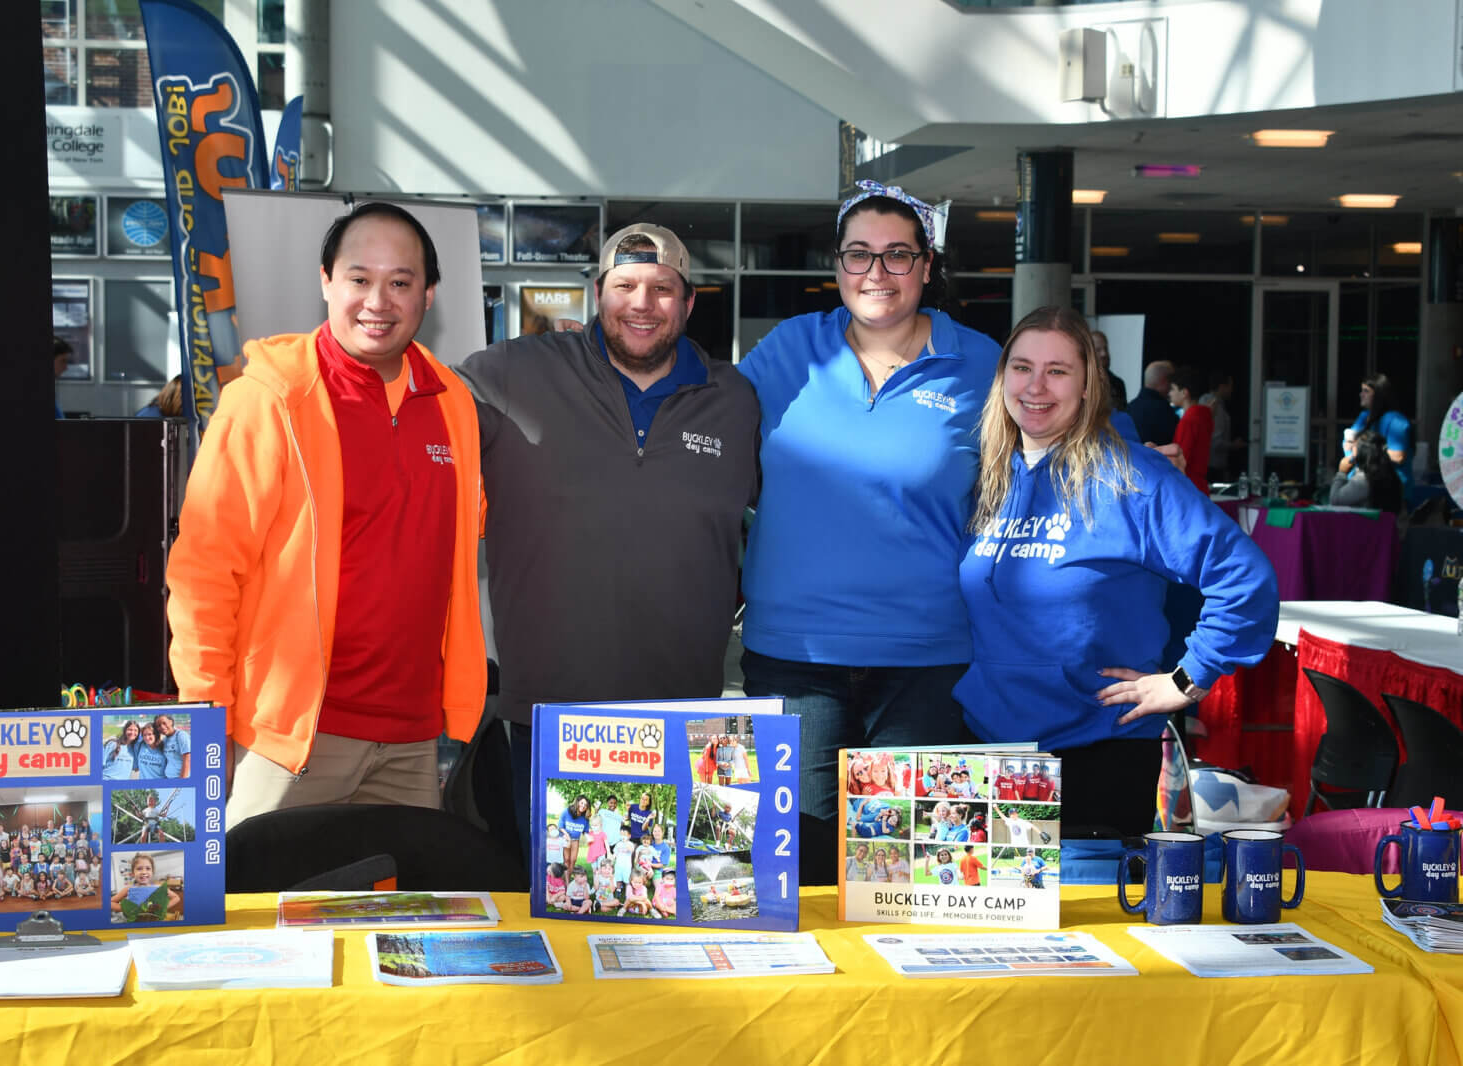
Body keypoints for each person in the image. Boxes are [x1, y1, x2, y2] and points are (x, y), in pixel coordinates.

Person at [167, 201, 487, 825]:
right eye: (359, 279)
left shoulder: (454, 405)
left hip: (414, 741)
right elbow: (205, 571)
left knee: (397, 917)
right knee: (260, 917)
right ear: (325, 282)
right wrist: (204, 716)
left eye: (400, 282)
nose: (378, 301)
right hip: (290, 740)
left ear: (430, 294)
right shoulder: (268, 400)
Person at [456, 223, 759, 861]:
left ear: (690, 302)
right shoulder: (511, 374)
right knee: (562, 900)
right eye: (624, 285)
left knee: (676, 898)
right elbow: (411, 420)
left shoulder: (734, 399)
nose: (641, 304)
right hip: (552, 716)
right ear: (599, 293)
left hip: (688, 721)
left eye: (662, 288)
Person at [734, 181, 1003, 825]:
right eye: (859, 254)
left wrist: (1125, 455)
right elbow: (700, 427)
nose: (876, 272)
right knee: (796, 869)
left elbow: (1046, 451)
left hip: (929, 661)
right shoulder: (788, 351)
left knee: (904, 879)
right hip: (794, 658)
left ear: (927, 266)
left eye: (897, 255)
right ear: (837, 264)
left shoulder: (981, 365)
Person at [956, 307, 1278, 835]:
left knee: (1088, 919)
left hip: (1095, 752)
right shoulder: (989, 477)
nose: (1036, 386)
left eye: (1058, 371)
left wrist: (1186, 680)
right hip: (989, 752)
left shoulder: (1131, 476)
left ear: (1088, 386)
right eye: (1021, 367)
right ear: (1002, 379)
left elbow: (1245, 579)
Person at [1346, 372, 1412, 486]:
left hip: (1390, 490)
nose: (1361, 394)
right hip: (1361, 484)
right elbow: (1348, 444)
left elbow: (1398, 456)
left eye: (1366, 391)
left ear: (1379, 394)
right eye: (1362, 390)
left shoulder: (1396, 420)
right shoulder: (1364, 416)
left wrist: (1364, 451)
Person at [1330, 430, 1403, 513]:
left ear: (1362, 452)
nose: (1350, 450)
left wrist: (1341, 473)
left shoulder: (1363, 481)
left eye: (1354, 446)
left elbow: (1335, 501)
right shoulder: (1391, 476)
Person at [1168, 366, 1213, 494]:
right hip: (1200, 485)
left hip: (1187, 487)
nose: (1169, 393)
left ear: (1184, 393)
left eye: (1173, 389)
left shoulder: (1189, 420)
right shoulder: (1204, 416)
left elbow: (1180, 459)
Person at [1127, 360, 1179, 447]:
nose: (1172, 388)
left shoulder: (1129, 408)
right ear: (1164, 381)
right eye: (1172, 382)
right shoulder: (1165, 412)